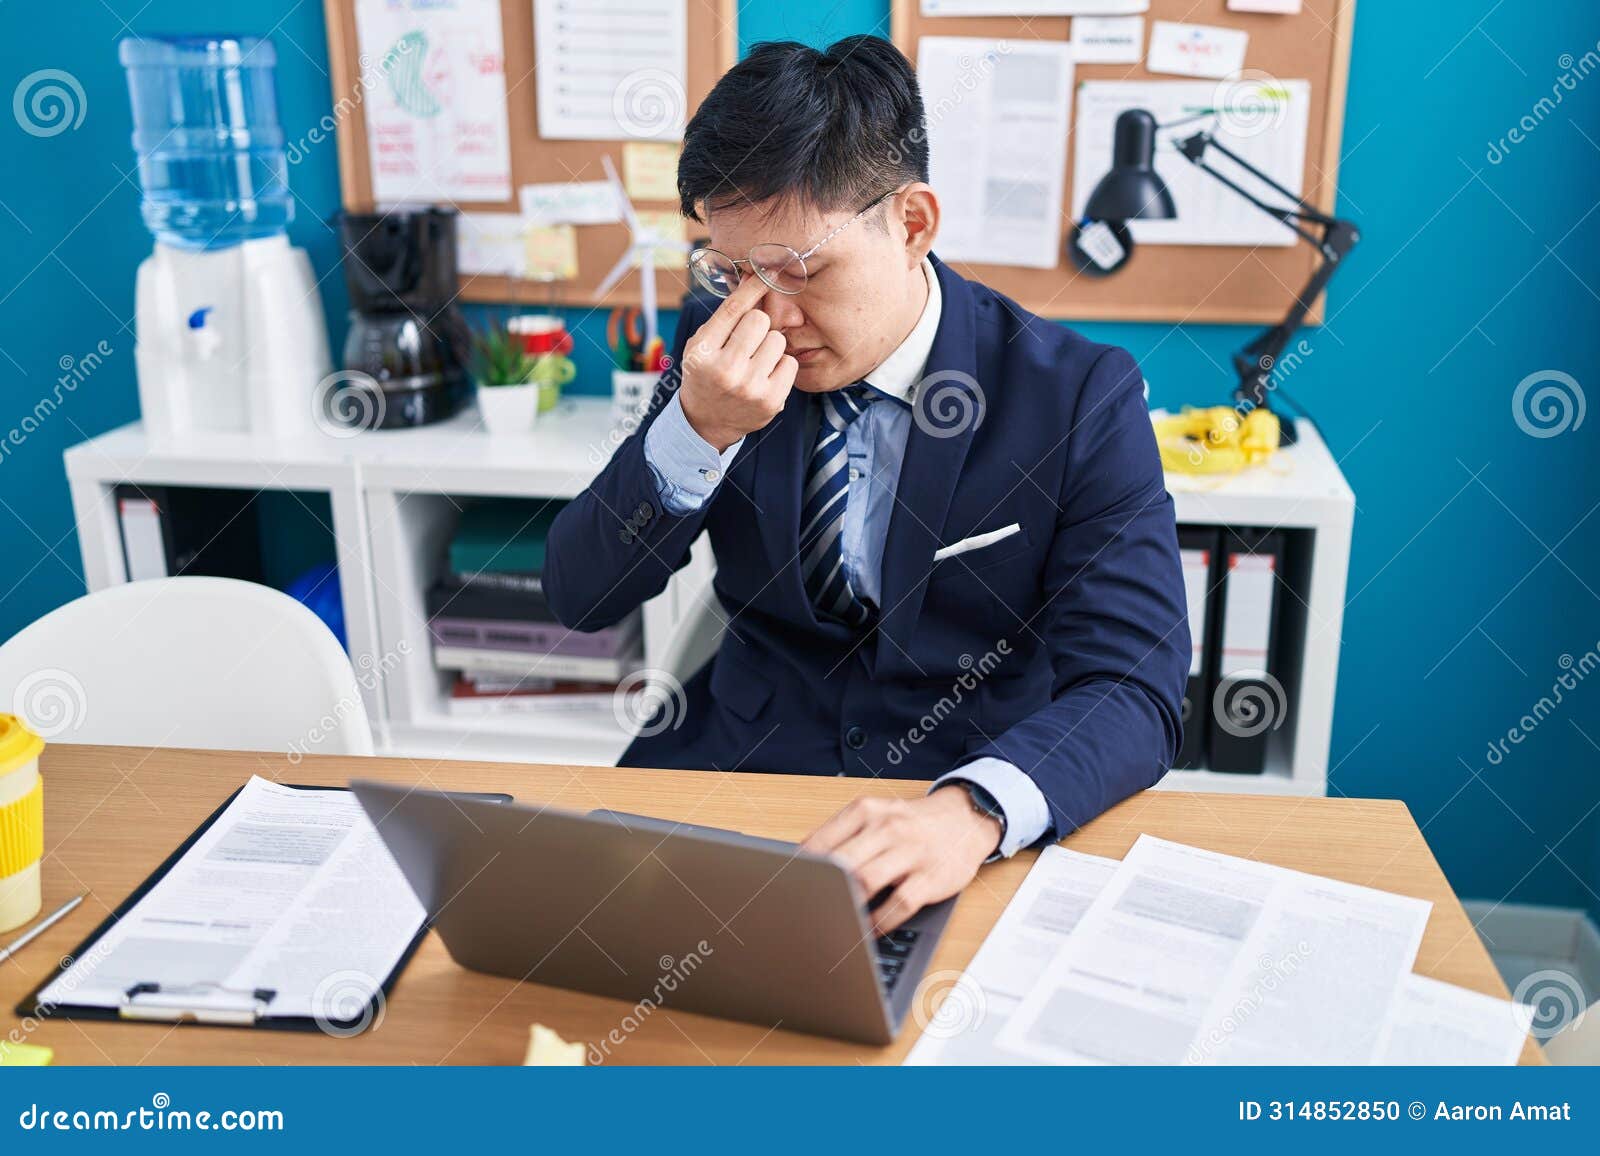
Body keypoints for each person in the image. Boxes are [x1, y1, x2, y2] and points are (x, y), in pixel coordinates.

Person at [544, 35, 1187, 933]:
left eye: (801, 270)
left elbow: (1133, 688)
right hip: (743, 780)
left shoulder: (1075, 395)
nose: (768, 312)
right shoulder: (719, 352)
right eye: (733, 271)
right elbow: (580, 596)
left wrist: (973, 812)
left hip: (959, 805)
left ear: (914, 223)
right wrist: (699, 429)